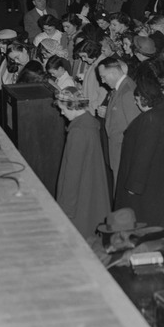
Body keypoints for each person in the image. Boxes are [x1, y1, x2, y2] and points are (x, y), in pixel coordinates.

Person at [114, 75, 164, 228]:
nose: (135, 103)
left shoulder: (151, 119)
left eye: (137, 99)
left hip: (146, 186)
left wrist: (133, 186)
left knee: (139, 223)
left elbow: (143, 155)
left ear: (144, 98)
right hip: (158, 179)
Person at [54, 86, 112, 239]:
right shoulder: (90, 124)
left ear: (71, 106)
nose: (62, 113)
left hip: (79, 201)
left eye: (62, 109)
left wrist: (66, 211)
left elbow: (72, 175)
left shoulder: (78, 132)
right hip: (92, 190)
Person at [96, 55, 140, 194]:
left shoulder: (127, 91)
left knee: (120, 191)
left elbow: (134, 128)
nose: (102, 81)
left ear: (114, 73)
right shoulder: (118, 89)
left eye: (103, 76)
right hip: (116, 149)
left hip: (123, 151)